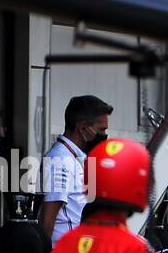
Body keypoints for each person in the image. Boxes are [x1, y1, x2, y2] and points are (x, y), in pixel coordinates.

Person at [40, 95, 113, 245]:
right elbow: (47, 221)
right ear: (83, 127)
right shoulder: (60, 160)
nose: (104, 136)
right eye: (101, 130)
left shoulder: (76, 158)